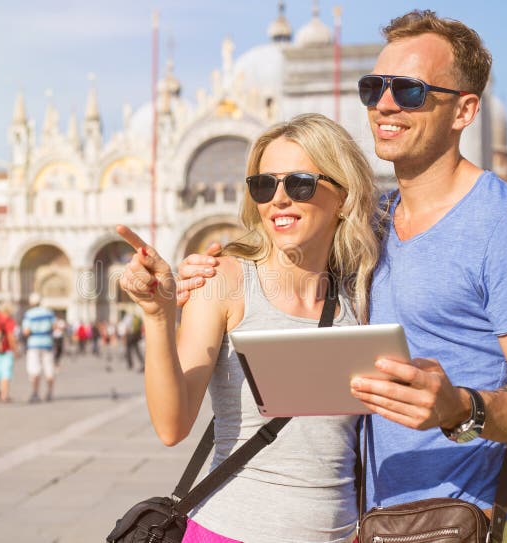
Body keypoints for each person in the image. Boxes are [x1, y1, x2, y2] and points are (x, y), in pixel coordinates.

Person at [177, 11, 507, 542]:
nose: (384, 104)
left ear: (465, 110)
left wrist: (462, 409)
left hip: (473, 522)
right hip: (378, 525)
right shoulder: (370, 224)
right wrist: (199, 276)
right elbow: (281, 250)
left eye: (409, 91)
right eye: (373, 87)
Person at [118, 113, 381, 543]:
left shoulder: (364, 292)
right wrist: (158, 316)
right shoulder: (225, 281)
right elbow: (172, 425)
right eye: (264, 185)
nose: (278, 199)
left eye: (298, 183)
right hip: (231, 530)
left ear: (343, 195)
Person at [22, 292, 56, 403]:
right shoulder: (49, 313)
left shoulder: (29, 314)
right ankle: (50, 393)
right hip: (47, 343)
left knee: (34, 369)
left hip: (34, 344)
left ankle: (35, 393)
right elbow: (55, 327)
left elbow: (26, 331)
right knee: (49, 368)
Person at [0, 302, 18, 402]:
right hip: (6, 349)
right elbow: (10, 336)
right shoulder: (9, 321)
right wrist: (15, 350)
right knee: (6, 372)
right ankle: (4, 395)